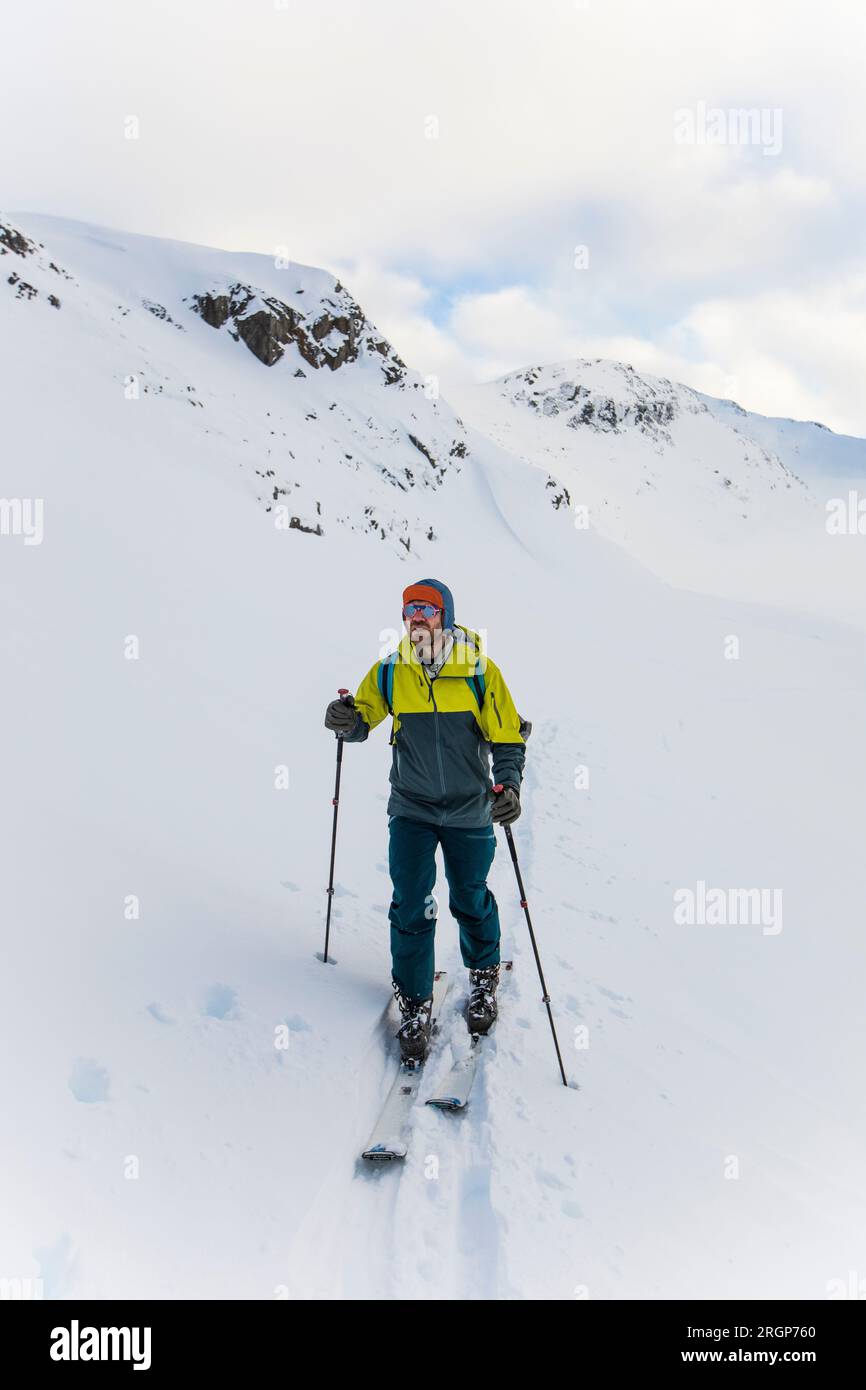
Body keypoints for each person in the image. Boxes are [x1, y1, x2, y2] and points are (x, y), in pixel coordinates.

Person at [324, 578, 528, 1062]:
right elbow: (363, 721)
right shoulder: (392, 672)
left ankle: (482, 977)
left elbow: (507, 738)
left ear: (446, 616)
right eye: (409, 609)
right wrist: (344, 719)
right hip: (412, 807)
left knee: (469, 898)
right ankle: (414, 1002)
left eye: (426, 609)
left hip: (468, 808)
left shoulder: (479, 671)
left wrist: (511, 786)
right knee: (411, 903)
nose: (416, 617)